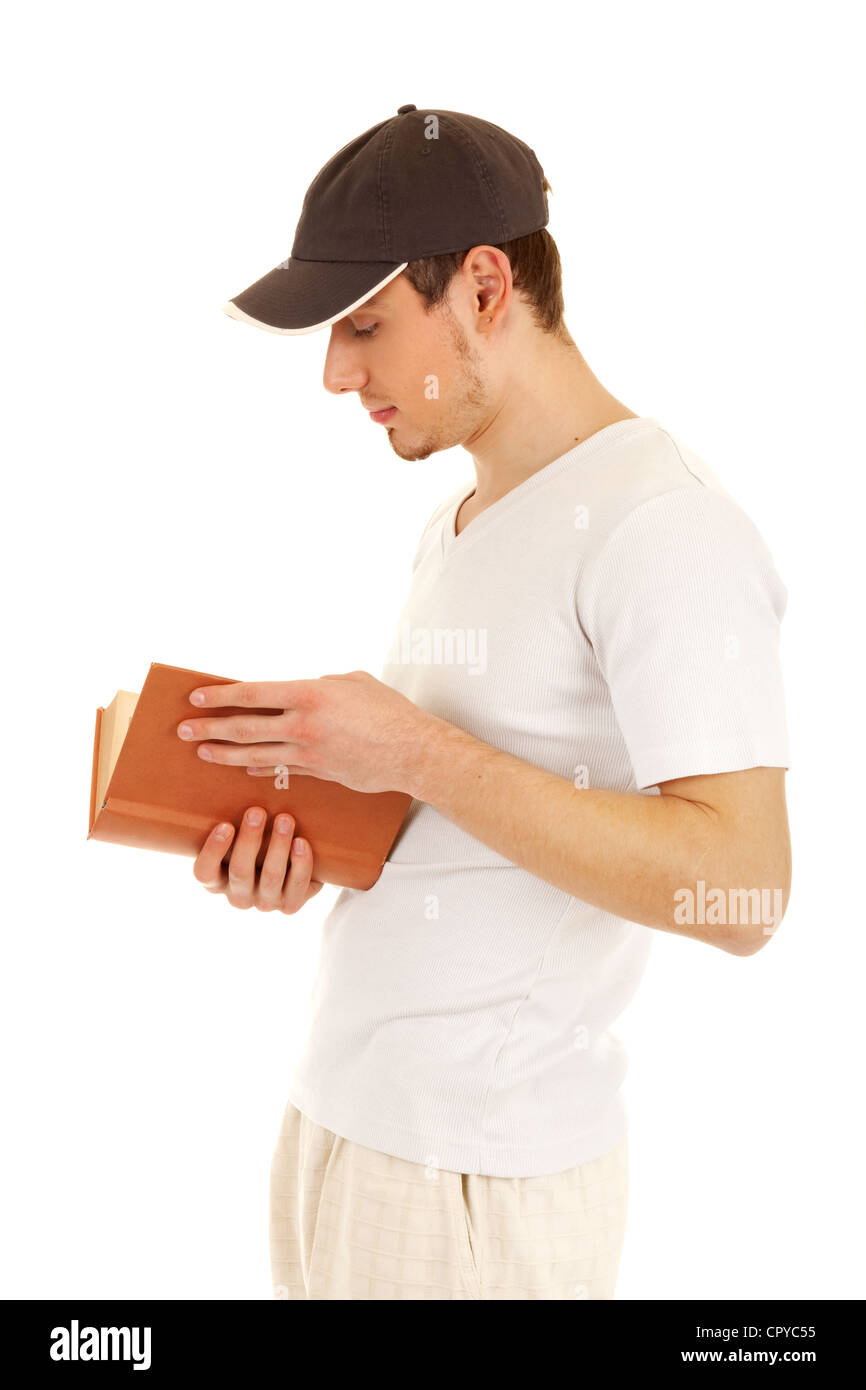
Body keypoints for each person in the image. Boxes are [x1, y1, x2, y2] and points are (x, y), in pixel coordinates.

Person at [180, 106, 792, 1300]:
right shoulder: (463, 517)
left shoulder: (661, 527)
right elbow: (472, 820)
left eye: (362, 325)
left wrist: (414, 748)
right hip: (348, 1129)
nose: (332, 372)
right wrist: (315, 842)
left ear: (481, 286)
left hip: (473, 1181)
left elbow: (748, 888)